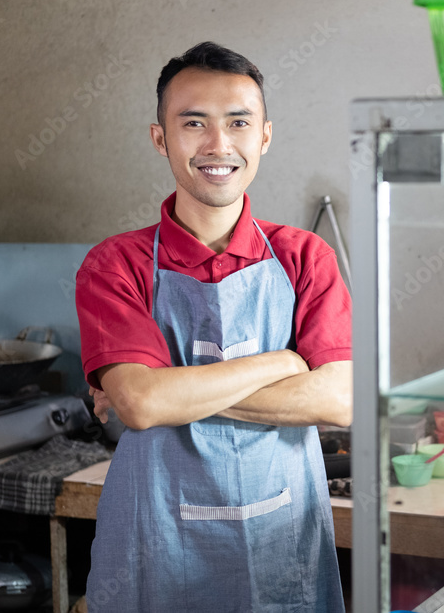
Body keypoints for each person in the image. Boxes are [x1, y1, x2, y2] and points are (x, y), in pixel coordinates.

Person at [75, 41, 352, 612]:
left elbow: (340, 399)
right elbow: (144, 407)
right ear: (161, 139)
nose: (218, 145)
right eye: (193, 123)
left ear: (264, 137)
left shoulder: (305, 258)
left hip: (284, 544)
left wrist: (167, 389)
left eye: (238, 123)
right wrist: (285, 362)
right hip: (156, 545)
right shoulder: (114, 265)